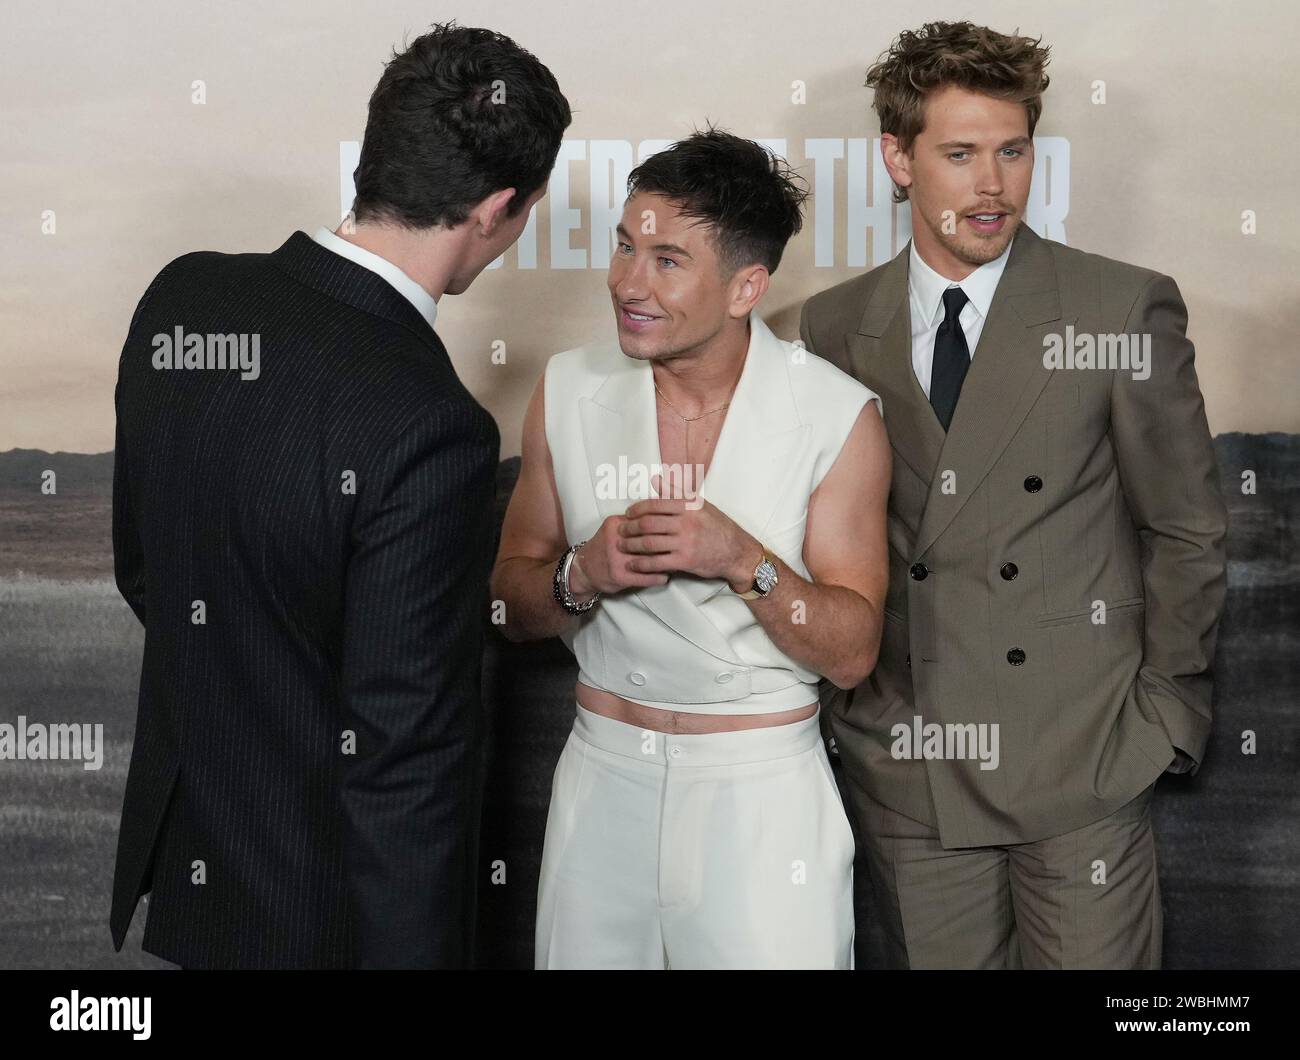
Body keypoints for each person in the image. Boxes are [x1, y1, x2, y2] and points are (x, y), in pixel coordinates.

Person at [109, 22, 571, 968]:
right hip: (325, 920)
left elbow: (147, 574)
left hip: (196, 886)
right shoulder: (433, 427)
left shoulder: (183, 300)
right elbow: (408, 759)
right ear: (494, 210)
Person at [800, 20, 1228, 969]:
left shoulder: (1119, 307)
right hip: (912, 765)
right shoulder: (831, 325)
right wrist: (864, 724)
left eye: (1012, 151)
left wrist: (1162, 715)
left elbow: (1186, 530)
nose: (992, 185)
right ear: (897, 160)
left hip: (1083, 760)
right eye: (959, 155)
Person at [492, 128, 890, 968]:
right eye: (626, 247)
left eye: (668, 260)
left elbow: (853, 654)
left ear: (747, 286)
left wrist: (743, 559)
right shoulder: (567, 388)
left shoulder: (836, 414)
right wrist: (582, 575)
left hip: (763, 795)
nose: (628, 283)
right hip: (602, 782)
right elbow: (506, 606)